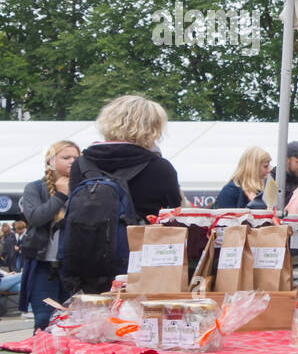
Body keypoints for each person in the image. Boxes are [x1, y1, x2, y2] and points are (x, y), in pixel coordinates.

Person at [64, 96, 183, 292]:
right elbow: (175, 220)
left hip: (88, 266)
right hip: (140, 269)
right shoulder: (160, 168)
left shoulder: (81, 164)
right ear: (152, 128)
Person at [19, 141, 80, 330]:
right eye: (66, 157)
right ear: (51, 162)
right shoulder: (35, 188)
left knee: (73, 321)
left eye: (76, 158)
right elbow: (35, 218)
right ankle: (40, 348)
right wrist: (60, 196)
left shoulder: (84, 188)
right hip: (42, 266)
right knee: (43, 319)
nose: (72, 161)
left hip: (73, 266)